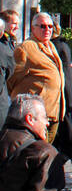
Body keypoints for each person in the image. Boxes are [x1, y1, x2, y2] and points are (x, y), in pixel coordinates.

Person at [7, 12, 66, 148]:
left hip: (53, 112)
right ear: (33, 28)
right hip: (35, 114)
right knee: (36, 151)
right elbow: (11, 79)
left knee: (46, 152)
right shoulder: (27, 47)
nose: (47, 30)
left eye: (50, 27)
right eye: (43, 26)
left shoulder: (51, 46)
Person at [52, 26, 72, 157]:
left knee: (63, 121)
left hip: (63, 86)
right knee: (66, 120)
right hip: (68, 85)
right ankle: (66, 151)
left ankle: (65, 151)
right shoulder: (63, 44)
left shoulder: (56, 46)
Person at [0, 7, 20, 130]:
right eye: (13, 23)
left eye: (18, 23)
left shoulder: (10, 42)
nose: (16, 27)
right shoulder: (3, 45)